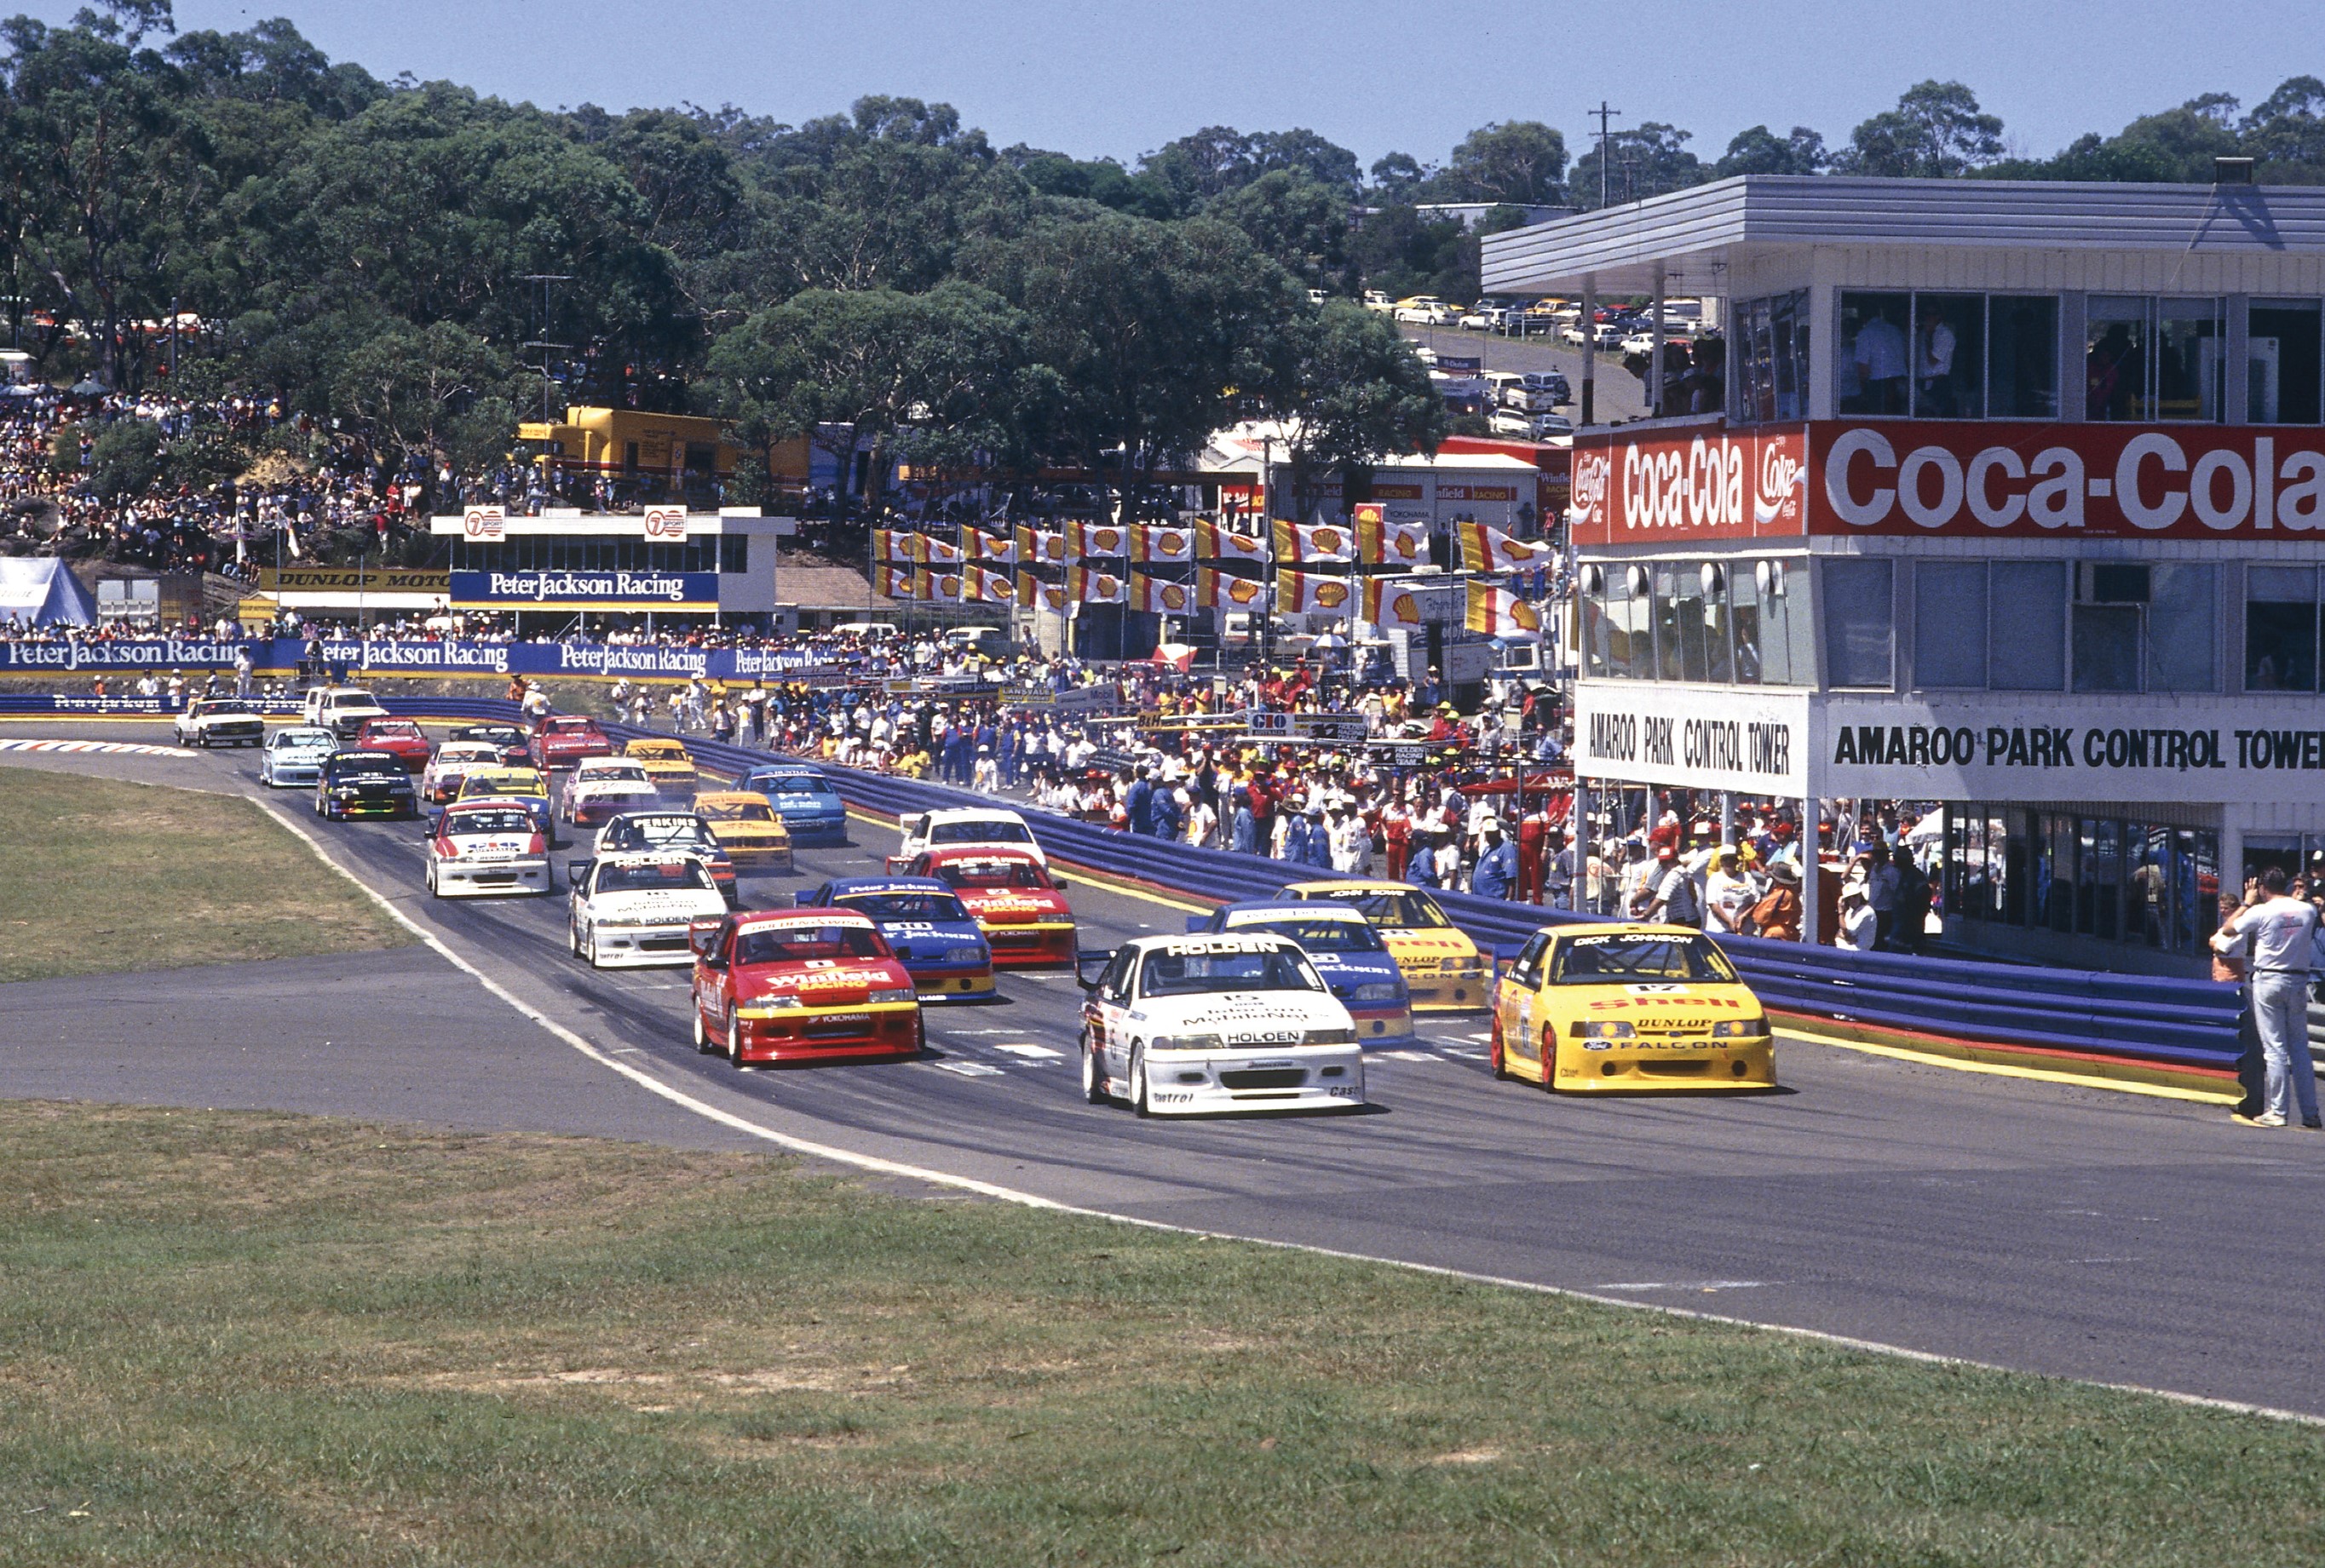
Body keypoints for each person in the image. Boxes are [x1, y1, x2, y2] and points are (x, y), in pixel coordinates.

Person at [2211, 868, 2325, 1129]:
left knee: (2274, 1049)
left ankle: (2278, 1110)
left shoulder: (2259, 910)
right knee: (2300, 1049)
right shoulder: (2306, 910)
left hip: (2269, 977)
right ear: (2284, 886)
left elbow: (2228, 929)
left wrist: (2246, 902)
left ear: (2262, 887)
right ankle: (2310, 1113)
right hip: (2298, 979)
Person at [1747, 860, 1804, 942]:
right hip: (1791, 933)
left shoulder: (1778, 895)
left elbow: (1759, 918)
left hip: (1775, 933)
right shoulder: (1792, 893)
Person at [1471, 817, 1518, 900]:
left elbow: (1512, 877)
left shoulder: (1506, 848)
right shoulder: (1487, 849)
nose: (1490, 836)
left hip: (1495, 898)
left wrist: (1509, 899)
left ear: (1499, 833)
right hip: (1479, 897)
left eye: (1492, 833)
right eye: (1488, 834)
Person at [1836, 883, 1879, 952]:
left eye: (1855, 896)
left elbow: (1846, 930)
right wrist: (1844, 935)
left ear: (1860, 895)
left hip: (1858, 953)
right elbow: (1840, 935)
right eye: (1849, 898)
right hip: (1844, 951)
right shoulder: (1850, 911)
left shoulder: (1867, 911)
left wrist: (1840, 912)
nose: (1852, 900)